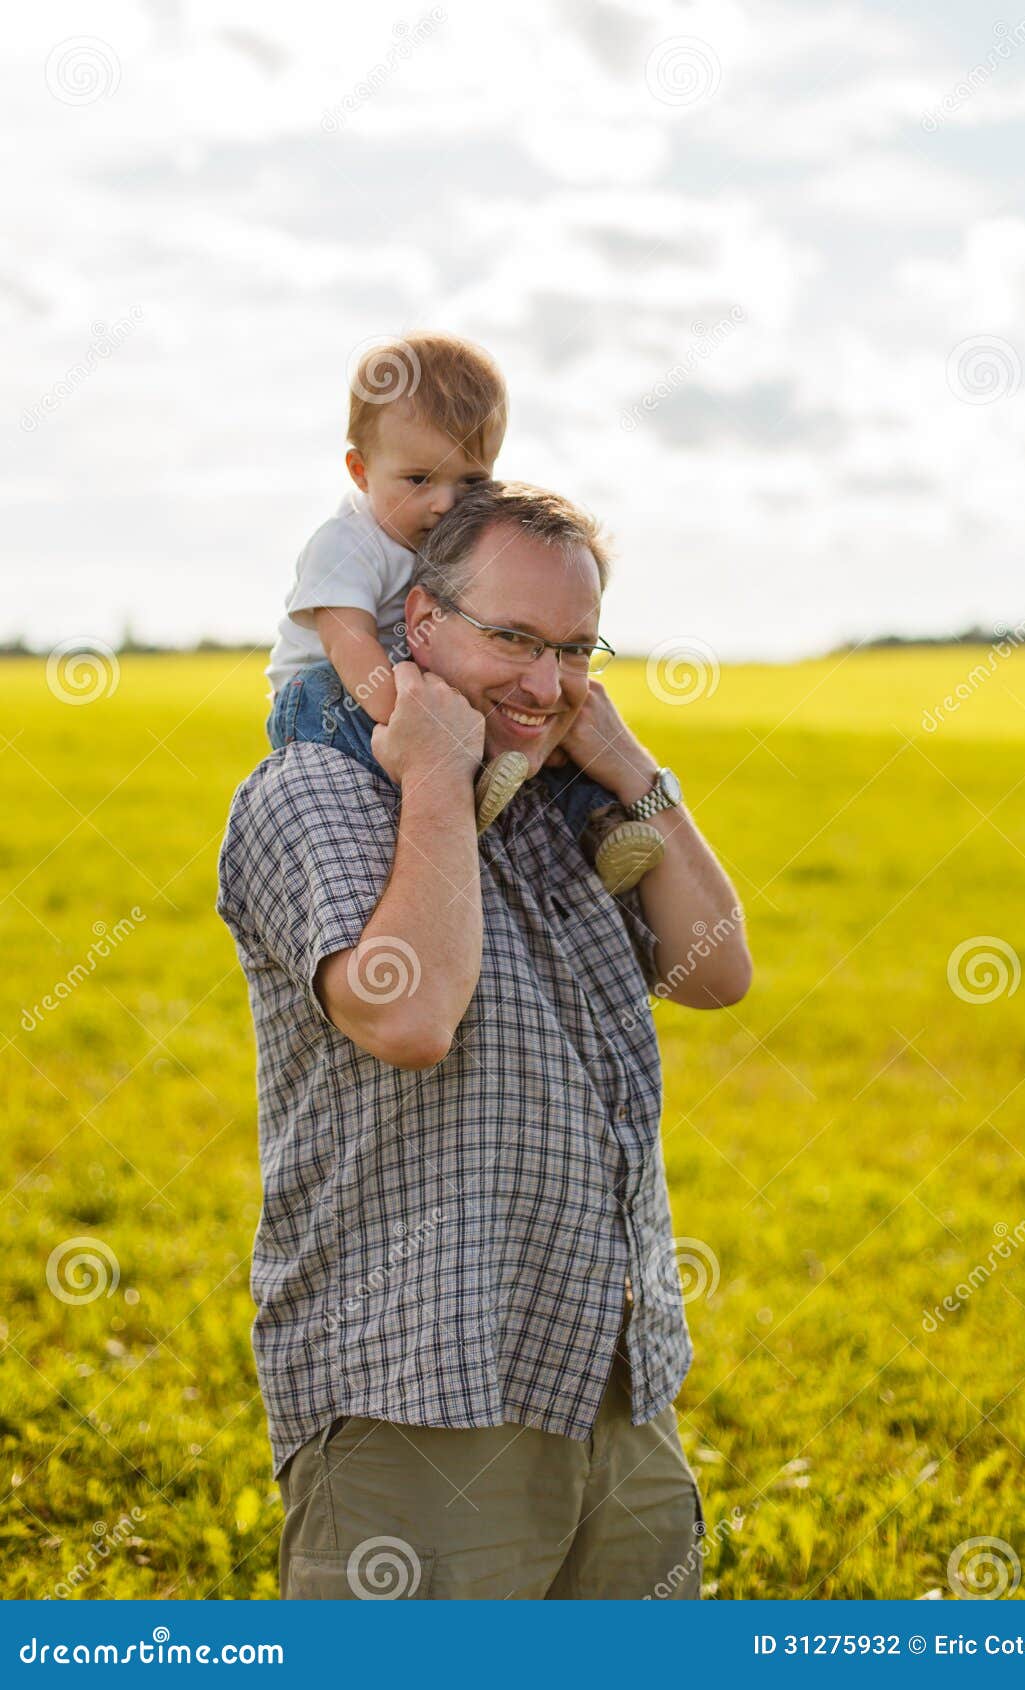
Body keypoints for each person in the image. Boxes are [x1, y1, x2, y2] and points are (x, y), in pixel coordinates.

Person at [218, 481, 753, 1600]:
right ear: (418, 622)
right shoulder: (313, 792)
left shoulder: (567, 806)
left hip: (608, 1386)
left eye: (572, 649)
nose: (545, 683)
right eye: (512, 637)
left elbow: (715, 972)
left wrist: (629, 769)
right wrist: (430, 772)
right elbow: (407, 1017)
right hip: (420, 1393)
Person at [264, 330, 663, 893]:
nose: (445, 502)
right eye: (418, 479)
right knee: (341, 705)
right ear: (360, 471)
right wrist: (419, 730)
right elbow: (349, 643)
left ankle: (599, 828)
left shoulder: (454, 539)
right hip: (330, 694)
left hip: (417, 685)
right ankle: (455, 793)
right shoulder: (345, 544)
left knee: (536, 718)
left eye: (471, 480)